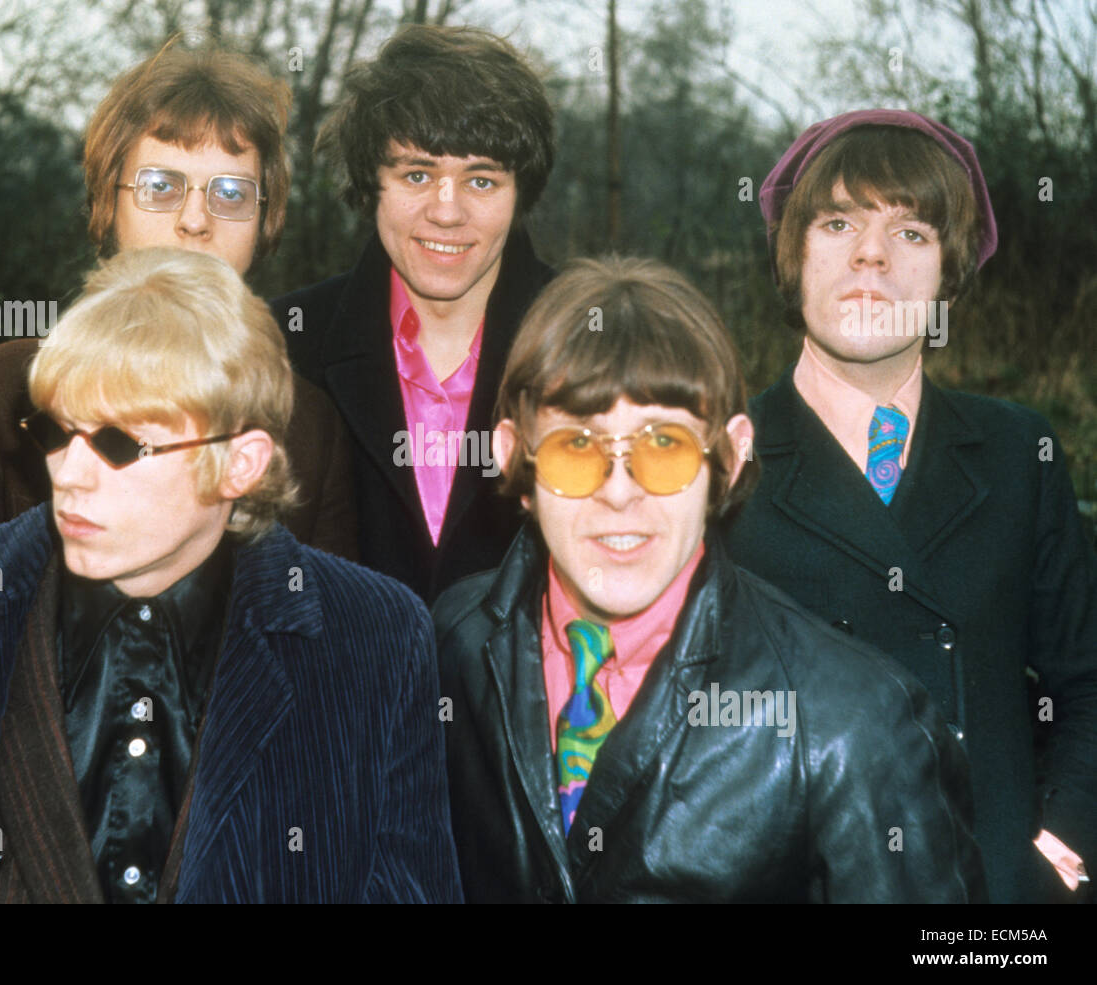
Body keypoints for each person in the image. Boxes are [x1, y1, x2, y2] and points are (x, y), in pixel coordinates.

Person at [0, 248, 462, 904]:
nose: (68, 474)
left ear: (241, 464)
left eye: (118, 444)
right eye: (57, 432)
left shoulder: (374, 636)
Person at [433, 256, 985, 903]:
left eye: (663, 446)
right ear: (513, 458)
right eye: (576, 447)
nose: (619, 492)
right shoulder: (450, 645)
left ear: (727, 456)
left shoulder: (851, 726)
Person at [725, 109, 1097, 903]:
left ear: (951, 273)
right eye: (836, 223)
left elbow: (1087, 680)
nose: (871, 253)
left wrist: (1063, 848)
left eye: (913, 232)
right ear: (791, 255)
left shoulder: (1017, 454)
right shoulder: (720, 459)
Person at [0, 42, 357, 557]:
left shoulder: (310, 424)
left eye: (230, 193)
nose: (196, 220)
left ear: (265, 221)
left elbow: (324, 627)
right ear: (105, 204)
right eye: (160, 186)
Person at [275, 25, 555, 603]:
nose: (445, 212)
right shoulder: (283, 346)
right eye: (417, 175)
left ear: (519, 191)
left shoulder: (590, 340)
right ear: (370, 182)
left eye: (481, 179)